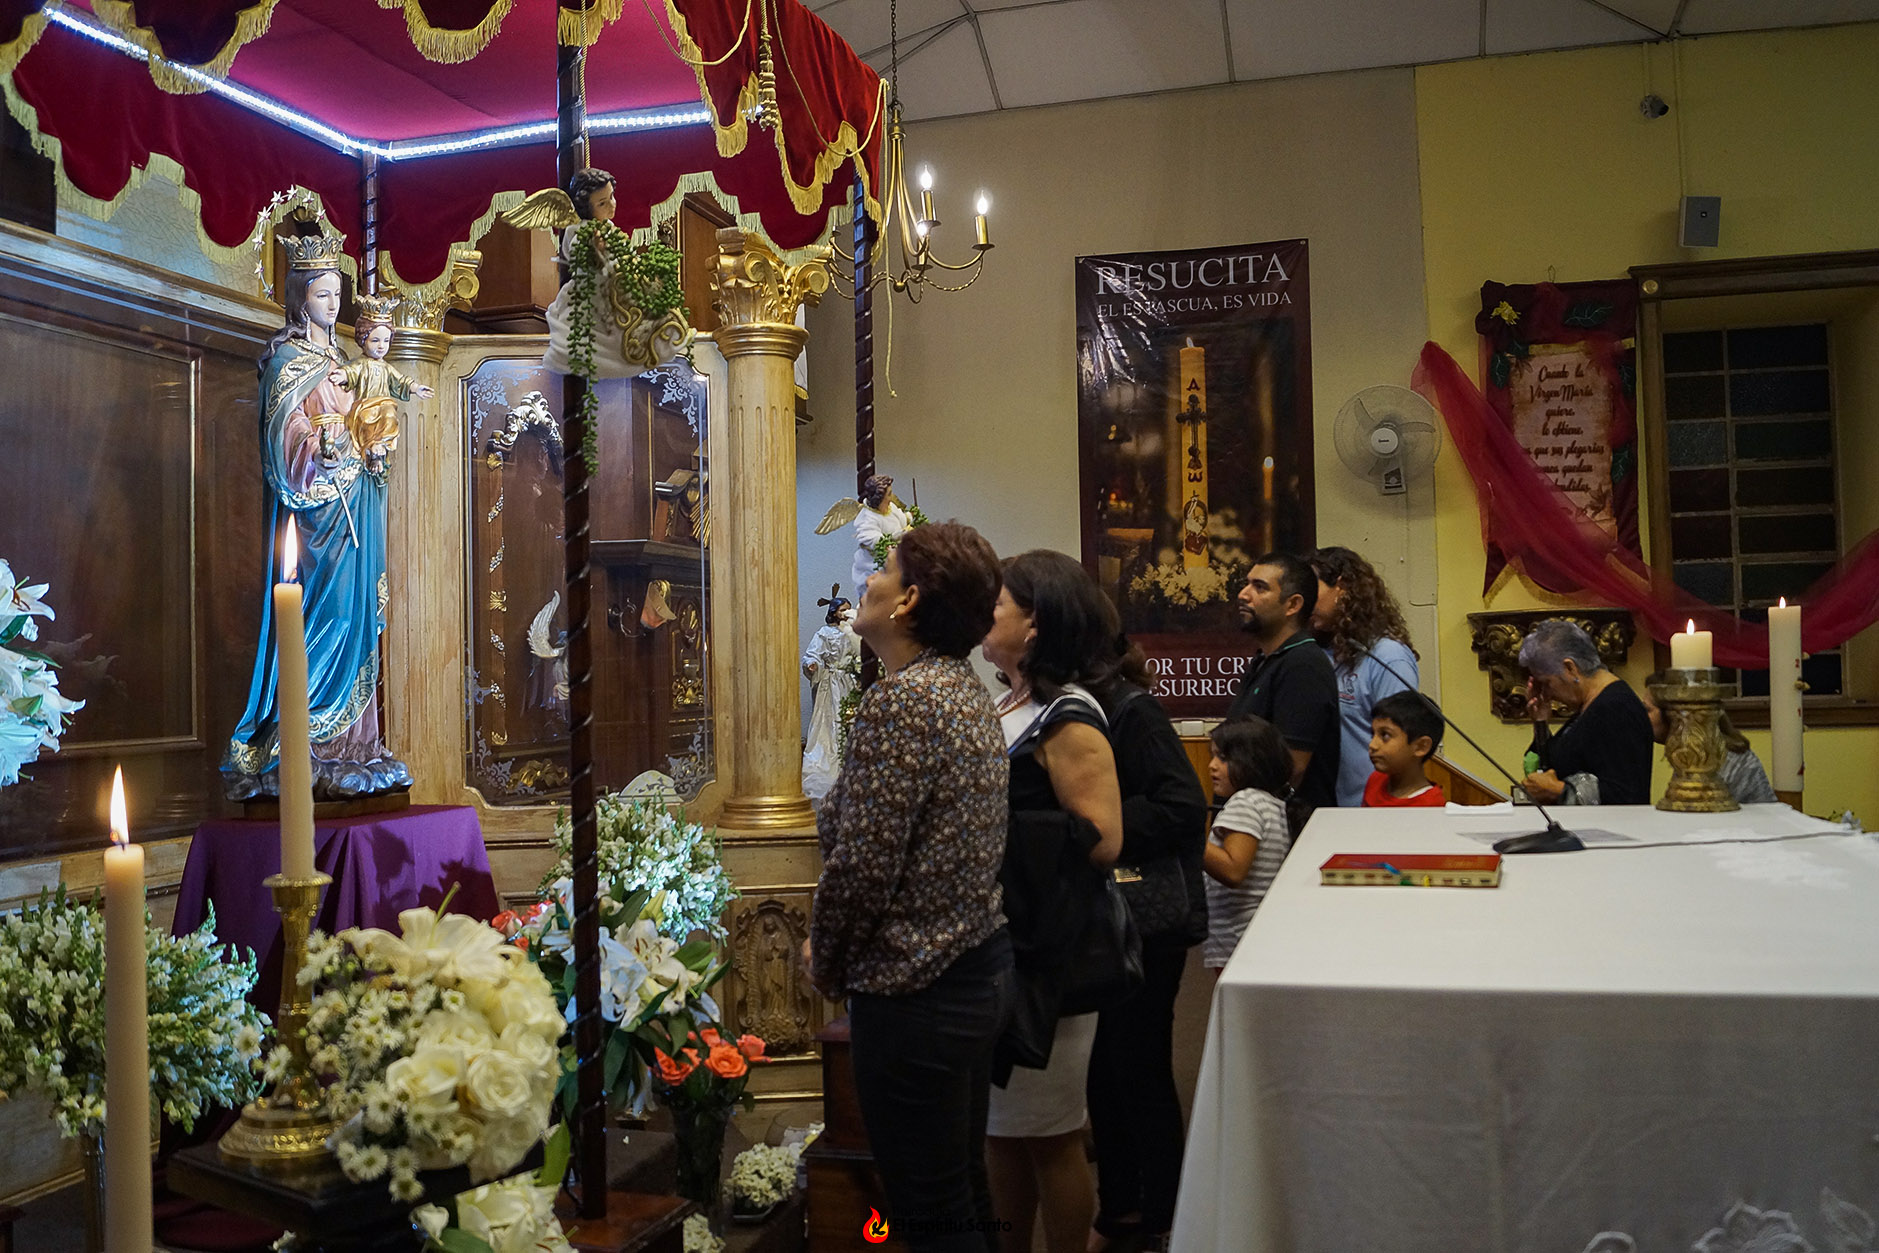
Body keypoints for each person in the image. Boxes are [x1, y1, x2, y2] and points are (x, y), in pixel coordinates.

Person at [809, 521, 1013, 1253]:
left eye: (884, 568)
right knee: (958, 1191)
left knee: (927, 1208)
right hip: (968, 969)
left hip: (918, 989)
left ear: (909, 600)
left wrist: (825, 959)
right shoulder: (959, 688)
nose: (867, 579)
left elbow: (864, 866)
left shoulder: (906, 701)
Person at [223, 231, 411, 801]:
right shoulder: (286, 362)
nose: (333, 305)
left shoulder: (346, 363)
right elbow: (283, 438)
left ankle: (356, 746)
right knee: (320, 617)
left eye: (337, 294)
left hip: (356, 503)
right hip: (317, 513)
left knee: (355, 620)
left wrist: (374, 441)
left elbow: (369, 415)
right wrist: (320, 447)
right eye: (322, 294)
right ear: (300, 298)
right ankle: (307, 743)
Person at [980, 550, 1124, 1253]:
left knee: (1050, 1134)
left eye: (997, 604)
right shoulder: (1009, 703)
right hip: (1005, 945)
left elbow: (1103, 838)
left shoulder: (1069, 716)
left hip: (1050, 955)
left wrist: (988, 830)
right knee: (1002, 1132)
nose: (984, 615)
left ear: (1034, 623)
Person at [1084, 633, 1208, 1253]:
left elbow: (1184, 806)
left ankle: (1162, 1218)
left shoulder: (1131, 710)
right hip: (1105, 920)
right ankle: (1122, 1208)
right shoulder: (1084, 704)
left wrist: (1098, 825)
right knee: (1105, 1071)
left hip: (1147, 923)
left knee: (1139, 1069)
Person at [1225, 552, 1340, 831]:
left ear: (1293, 604)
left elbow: (1291, 768)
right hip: (1252, 825)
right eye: (1246, 583)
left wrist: (1246, 827)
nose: (1243, 594)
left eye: (1259, 587)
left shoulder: (1303, 665)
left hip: (1284, 831)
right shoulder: (1265, 661)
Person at [1309, 546, 1419, 807]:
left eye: (1312, 589)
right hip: (1319, 808)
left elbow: (1401, 743)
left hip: (1370, 809)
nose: (1304, 599)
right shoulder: (1313, 654)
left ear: (1342, 587)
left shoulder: (1387, 656)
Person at [1518, 619, 1654, 805]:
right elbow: (1553, 768)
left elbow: (1626, 794)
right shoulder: (1591, 704)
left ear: (1570, 668)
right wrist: (1540, 722)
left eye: (1547, 683)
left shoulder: (1616, 708)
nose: (1547, 694)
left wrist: (1558, 791)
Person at [1199, 716, 1293, 971]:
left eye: (1223, 758)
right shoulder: (1269, 802)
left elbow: (1233, 870)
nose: (1212, 766)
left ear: (1252, 761)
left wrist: (1185, 836)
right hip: (1254, 933)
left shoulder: (1246, 802)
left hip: (1237, 935)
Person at [1638, 688, 1778, 804]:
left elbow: (1700, 816)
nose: (1641, 717)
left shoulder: (1719, 760)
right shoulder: (1689, 753)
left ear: (1674, 716)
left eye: (1647, 710)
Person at [801, 585, 860, 801]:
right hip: (831, 684)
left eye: (848, 609)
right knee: (828, 722)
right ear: (834, 612)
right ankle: (827, 763)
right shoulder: (824, 633)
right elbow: (812, 654)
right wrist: (812, 665)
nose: (846, 613)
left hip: (850, 682)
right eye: (843, 609)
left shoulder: (854, 632)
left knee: (851, 719)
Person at [1362, 690, 1447, 808]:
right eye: (1373, 734)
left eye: (1385, 735)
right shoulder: (1376, 780)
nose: (1372, 745)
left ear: (1421, 746)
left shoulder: (1431, 806)